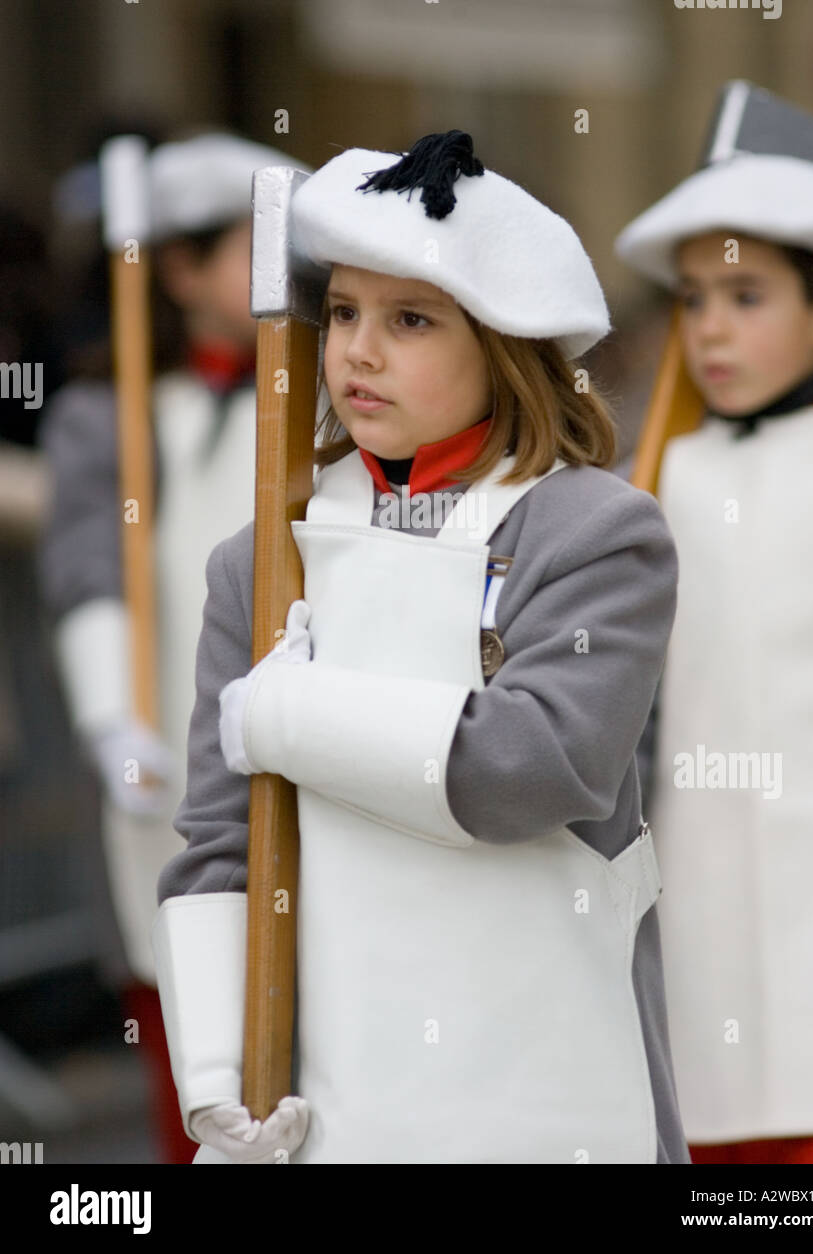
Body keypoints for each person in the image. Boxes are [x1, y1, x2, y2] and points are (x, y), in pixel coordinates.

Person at [153, 129, 688, 1165]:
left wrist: (282, 714)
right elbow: (219, 843)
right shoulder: (258, 564)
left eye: (409, 320)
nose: (356, 350)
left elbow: (534, 765)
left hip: (550, 1088)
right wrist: (217, 1078)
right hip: (336, 1098)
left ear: (499, 340)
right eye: (342, 312)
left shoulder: (593, 530)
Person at [37, 132, 309, 1162]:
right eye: (250, 246)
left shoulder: (335, 401)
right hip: (168, 783)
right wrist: (113, 716)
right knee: (191, 1067)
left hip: (306, 771)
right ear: (182, 268)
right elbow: (85, 566)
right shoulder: (110, 416)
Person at [615, 149, 813, 1164]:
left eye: (744, 294)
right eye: (690, 297)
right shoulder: (653, 475)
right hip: (701, 897)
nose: (707, 325)